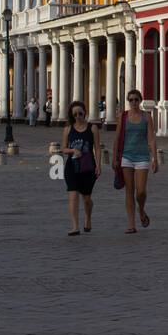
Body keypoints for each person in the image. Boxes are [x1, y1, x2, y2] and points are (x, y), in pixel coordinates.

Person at [113, 89, 158, 233]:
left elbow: (151, 138)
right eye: (131, 100)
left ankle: (141, 208)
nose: (133, 102)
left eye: (136, 100)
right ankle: (131, 224)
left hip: (142, 157)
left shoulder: (146, 117)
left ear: (140, 101)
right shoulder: (123, 116)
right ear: (128, 101)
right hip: (126, 156)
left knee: (141, 192)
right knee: (129, 191)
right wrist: (115, 157)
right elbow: (117, 137)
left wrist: (155, 158)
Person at [61, 101, 101, 236]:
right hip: (72, 167)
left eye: (80, 113)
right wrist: (72, 150)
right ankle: (75, 226)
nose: (78, 116)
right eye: (75, 114)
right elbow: (63, 148)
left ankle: (88, 218)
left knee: (87, 198)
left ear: (85, 112)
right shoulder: (68, 129)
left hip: (88, 167)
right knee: (73, 194)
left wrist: (99, 165)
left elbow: (97, 148)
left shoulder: (92, 128)